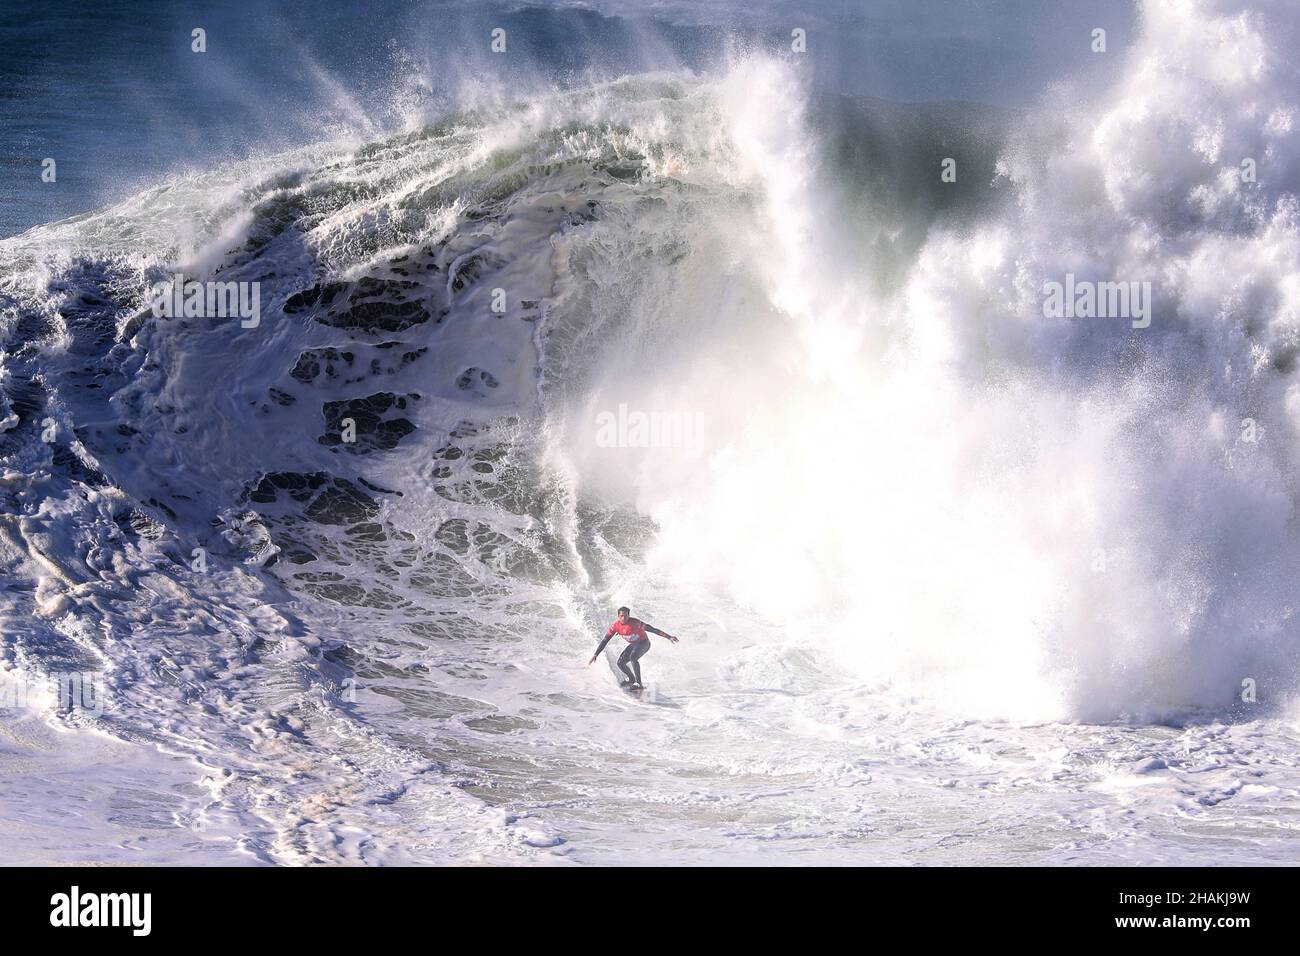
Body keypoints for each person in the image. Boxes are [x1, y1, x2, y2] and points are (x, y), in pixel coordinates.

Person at [587, 606, 678, 689]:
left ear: (629, 615)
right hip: (634, 644)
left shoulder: (635, 622)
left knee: (633, 657)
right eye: (621, 616)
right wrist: (596, 654)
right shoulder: (615, 626)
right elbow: (605, 640)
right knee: (620, 663)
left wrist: (669, 637)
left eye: (626, 616)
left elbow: (653, 629)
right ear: (618, 616)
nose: (624, 618)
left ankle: (638, 683)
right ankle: (631, 679)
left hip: (644, 643)